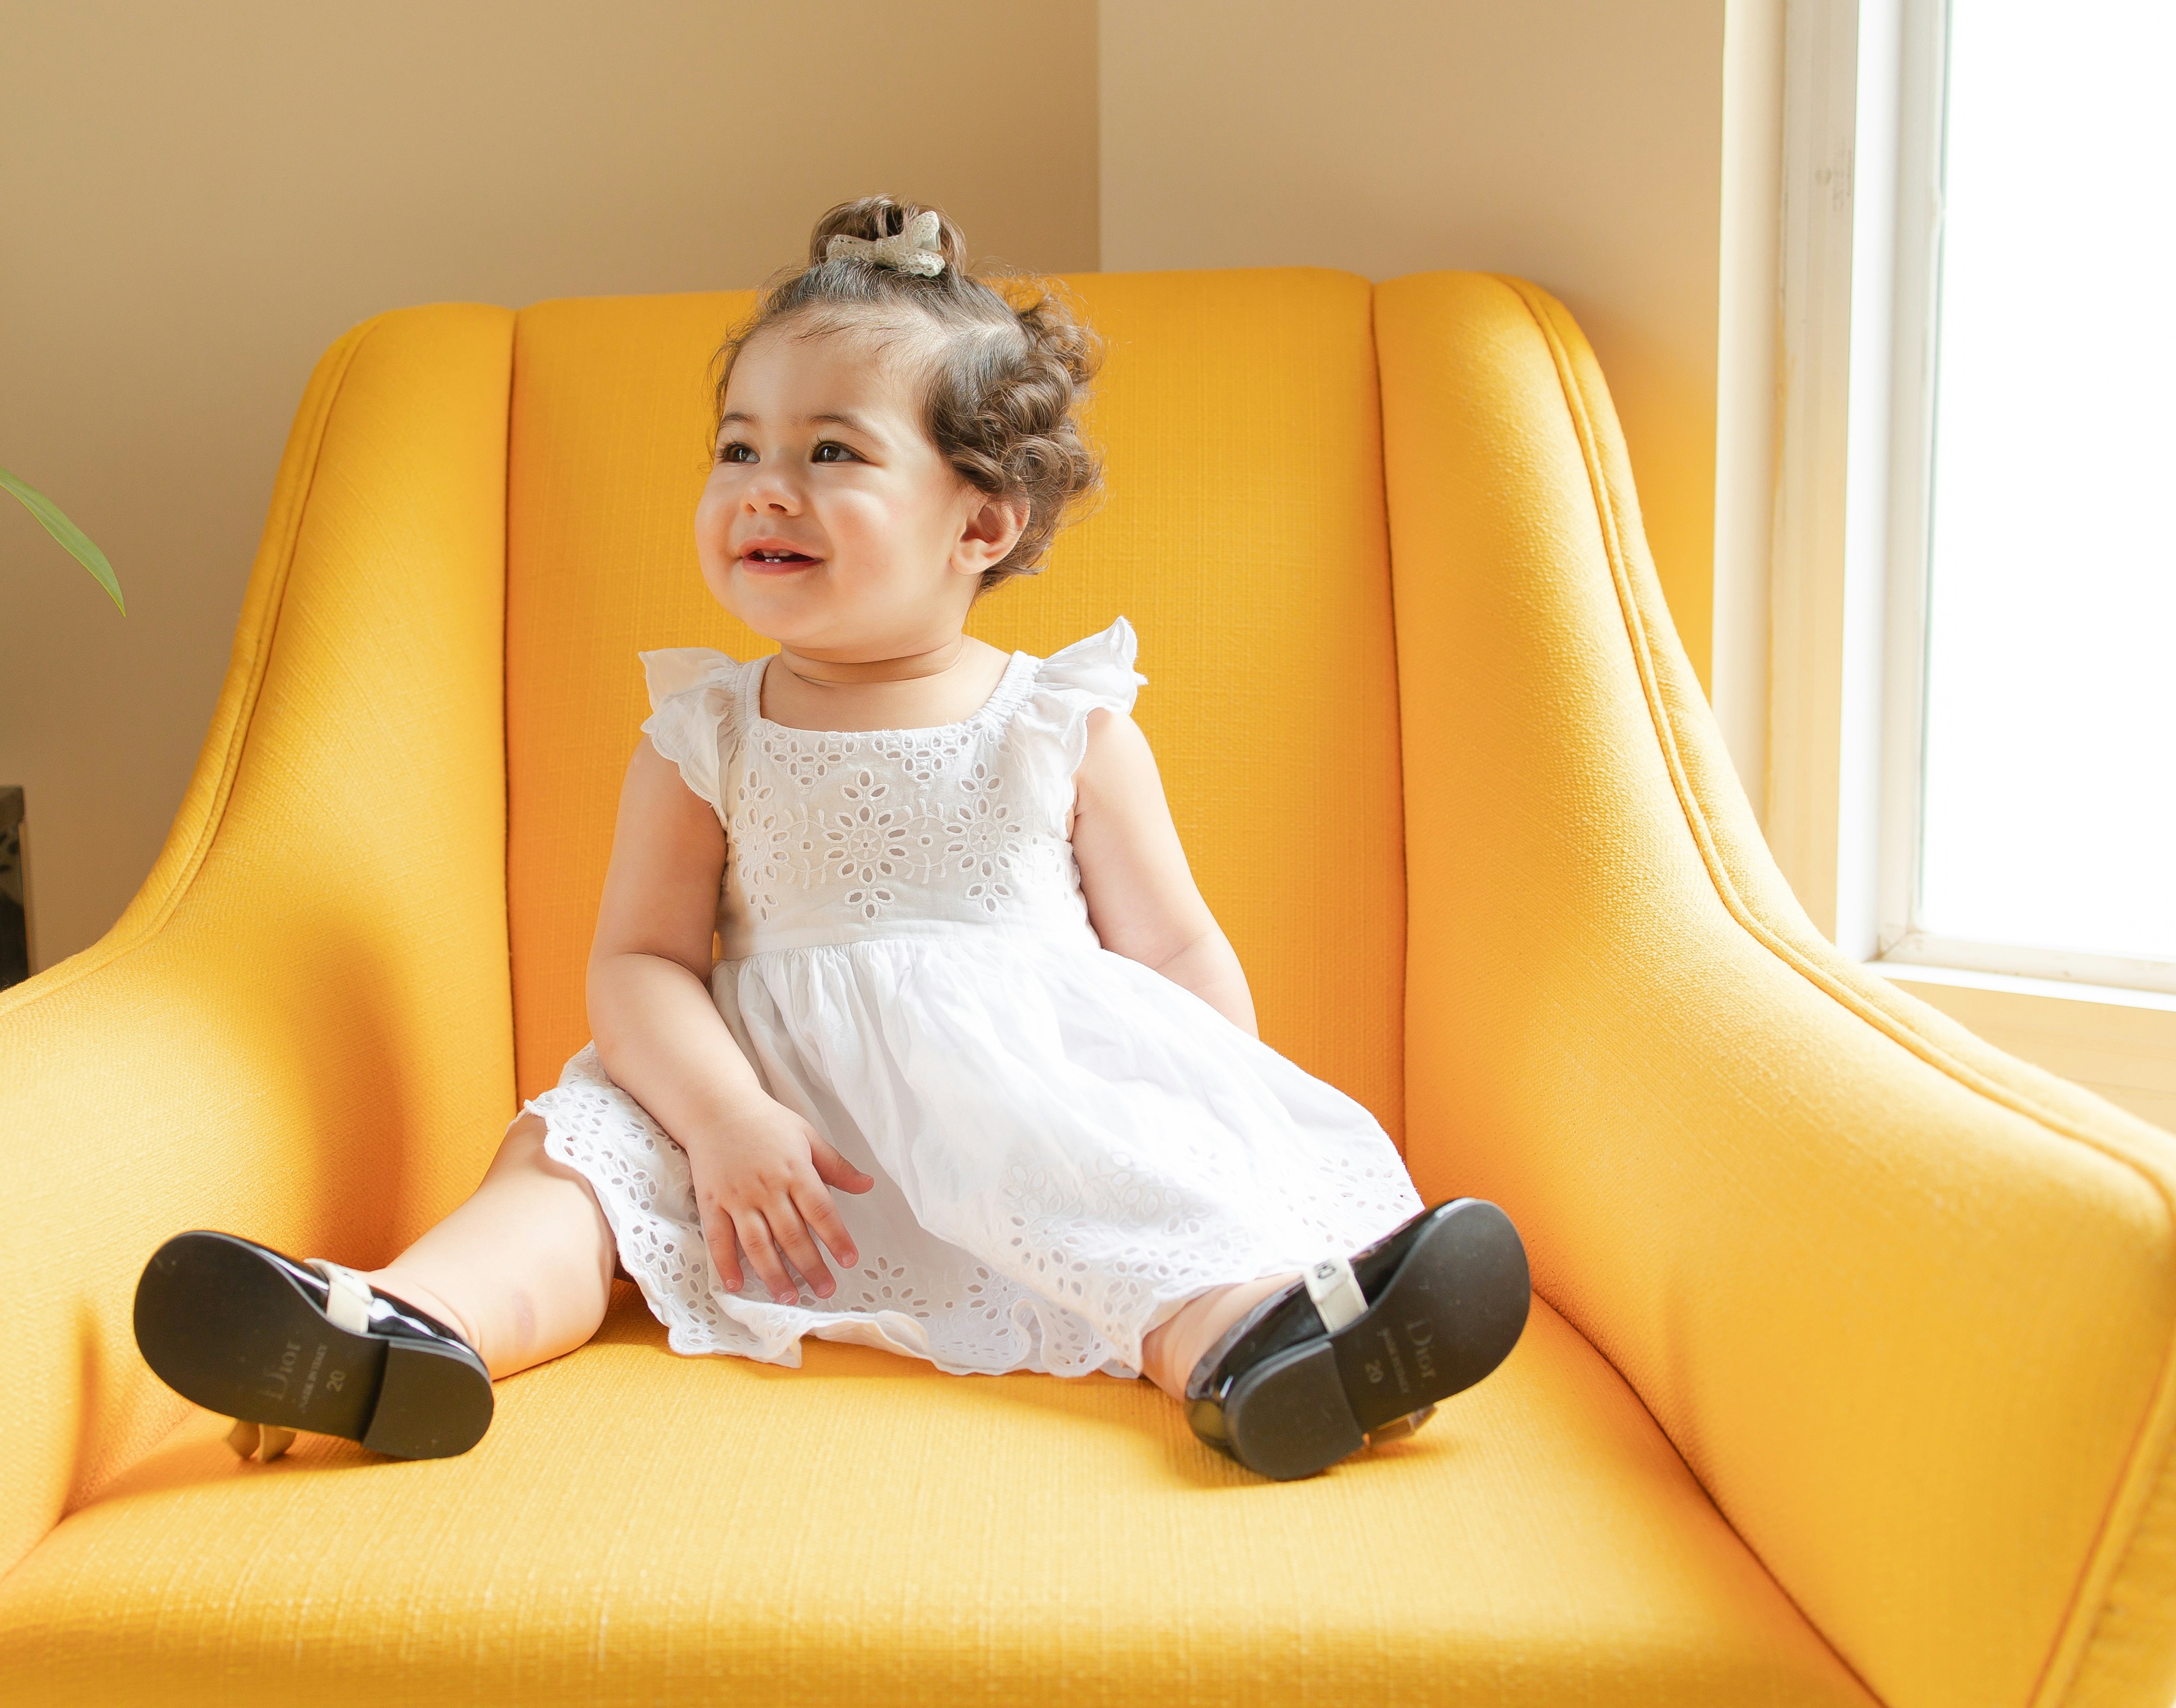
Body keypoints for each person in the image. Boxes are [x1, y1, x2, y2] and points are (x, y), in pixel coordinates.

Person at [132, 197, 1533, 1482]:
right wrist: (726, 1117)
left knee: (1126, 1203)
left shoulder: (1062, 719)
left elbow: (1169, 940)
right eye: (739, 447)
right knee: (573, 1155)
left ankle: (1254, 1349)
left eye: (831, 454)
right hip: (765, 1135)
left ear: (981, 518)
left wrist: (1211, 1112)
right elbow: (636, 962)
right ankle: (413, 1331)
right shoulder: (708, 733)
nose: (763, 486)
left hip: (1012, 1110)